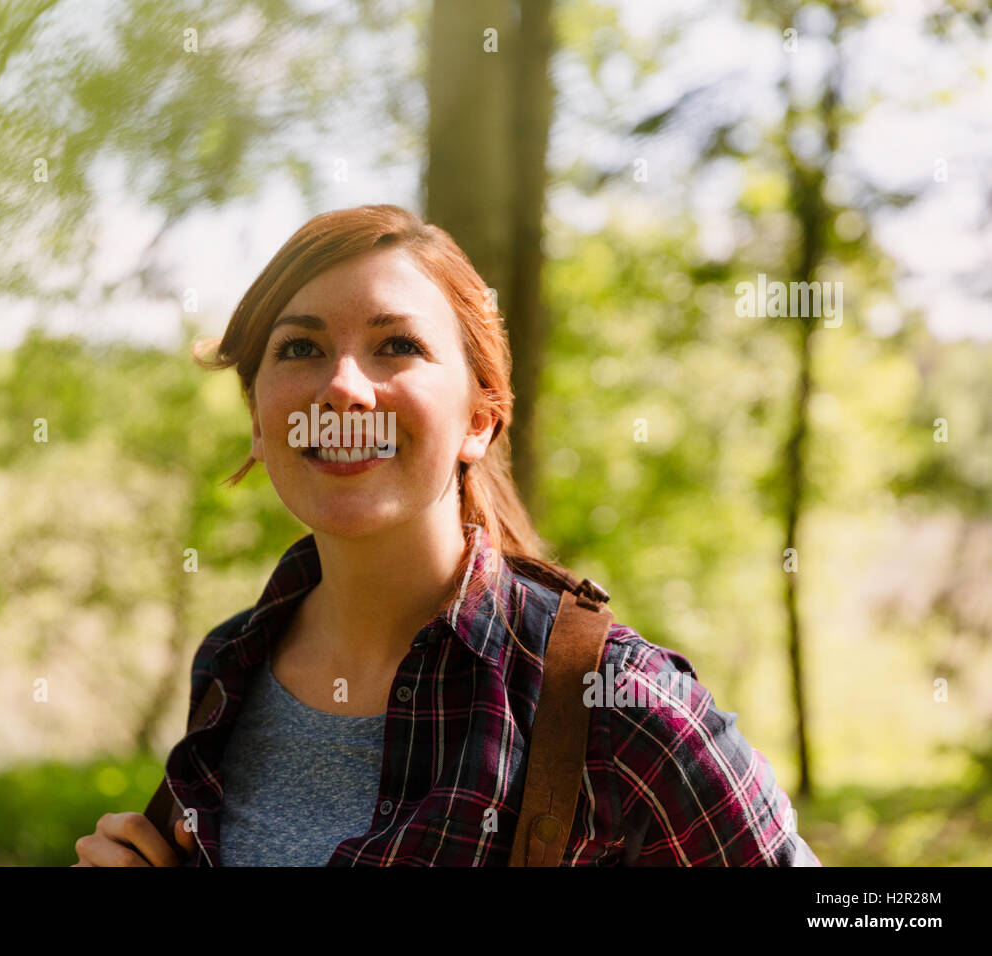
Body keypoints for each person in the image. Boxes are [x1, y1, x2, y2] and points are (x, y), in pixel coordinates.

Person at [72, 204, 821, 867]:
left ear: (477, 419)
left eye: (396, 345)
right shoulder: (228, 666)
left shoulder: (615, 702)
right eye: (299, 348)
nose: (342, 387)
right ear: (260, 423)